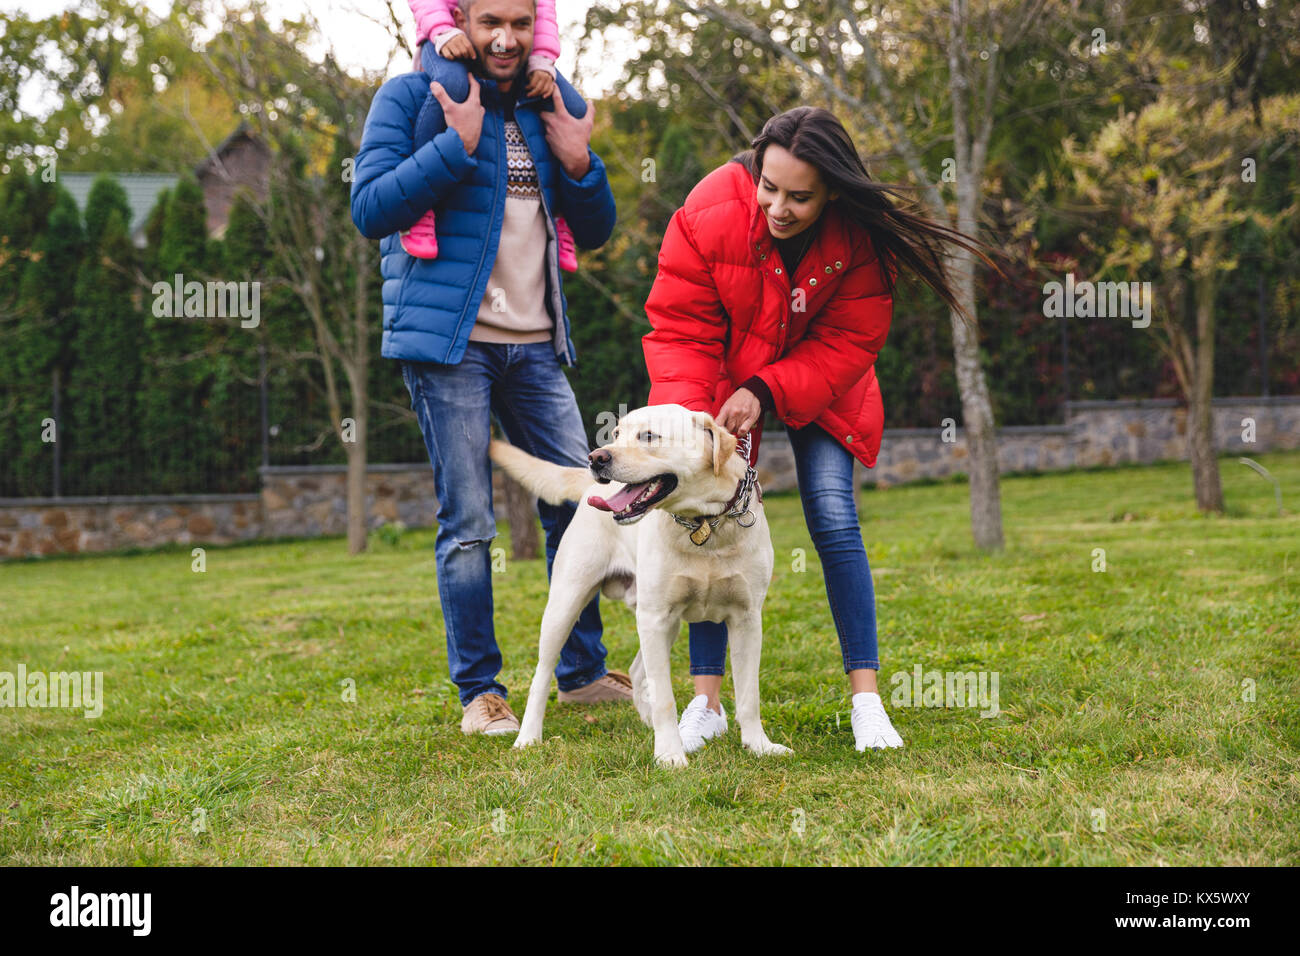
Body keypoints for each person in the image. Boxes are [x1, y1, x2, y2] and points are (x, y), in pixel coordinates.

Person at [643, 106, 985, 754]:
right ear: (755, 165)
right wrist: (689, 428)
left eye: (800, 197)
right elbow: (681, 329)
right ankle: (707, 705)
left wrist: (767, 388)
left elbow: (849, 340)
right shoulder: (709, 209)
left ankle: (867, 703)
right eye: (768, 187)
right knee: (708, 521)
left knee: (832, 515)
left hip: (824, 384)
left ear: (831, 189)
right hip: (723, 383)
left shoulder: (857, 238)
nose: (778, 207)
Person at [351, 0, 626, 736]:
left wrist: (580, 163)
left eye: (517, 22)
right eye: (488, 22)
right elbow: (370, 206)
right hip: (451, 348)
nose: (504, 39)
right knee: (469, 523)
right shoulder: (412, 96)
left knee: (582, 501)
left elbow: (596, 229)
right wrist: (455, 145)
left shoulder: (544, 107)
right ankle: (482, 692)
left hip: (536, 346)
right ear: (460, 23)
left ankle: (582, 674)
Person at [401, 0, 586, 270]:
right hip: (442, 34)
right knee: (451, 85)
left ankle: (561, 219)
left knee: (574, 108)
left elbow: (543, 11)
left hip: (513, 52)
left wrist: (542, 60)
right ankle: (419, 211)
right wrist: (443, 30)